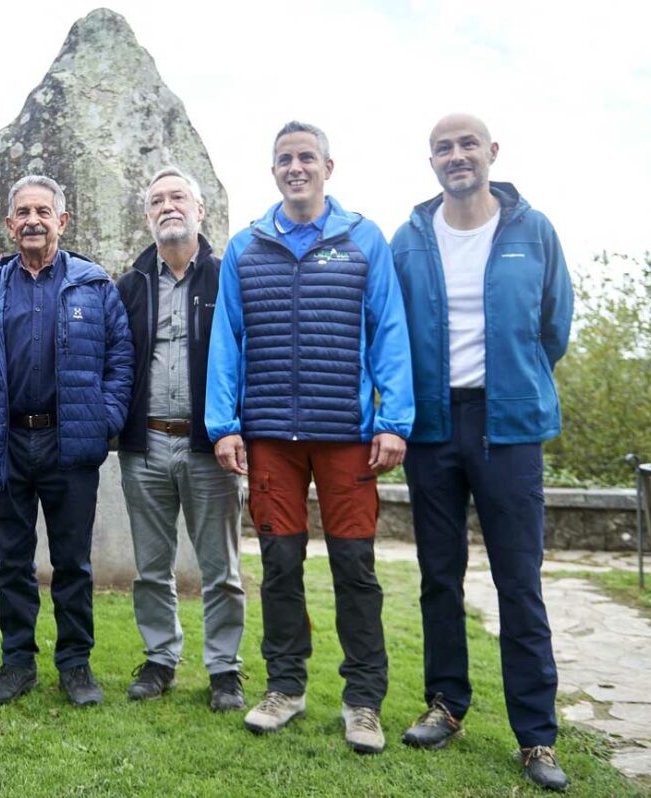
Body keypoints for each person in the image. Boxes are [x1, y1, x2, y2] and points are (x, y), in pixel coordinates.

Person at [205, 122, 414, 754]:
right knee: (280, 567)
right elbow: (227, 343)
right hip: (270, 436)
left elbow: (389, 333)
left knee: (355, 569)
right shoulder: (246, 247)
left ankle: (362, 702)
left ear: (328, 165)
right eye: (284, 159)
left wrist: (393, 420)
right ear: (273, 172)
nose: (295, 168)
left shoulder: (363, 241)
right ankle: (286, 688)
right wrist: (225, 424)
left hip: (348, 436)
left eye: (306, 158)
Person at [391, 113, 573, 791]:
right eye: (444, 147)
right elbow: (391, 328)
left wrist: (514, 380)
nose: (457, 155)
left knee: (518, 582)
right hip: (434, 427)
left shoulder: (534, 230)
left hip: (510, 428)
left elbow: (554, 326)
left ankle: (536, 737)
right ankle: (446, 705)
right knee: (440, 576)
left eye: (468, 144)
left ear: (492, 152)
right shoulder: (407, 239)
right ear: (431, 159)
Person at [0, 175, 133, 707]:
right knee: (13, 564)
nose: (33, 220)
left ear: (62, 220)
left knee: (73, 564)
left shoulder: (94, 285)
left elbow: (119, 359)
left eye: (43, 211)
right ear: (10, 224)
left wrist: (104, 420)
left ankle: (75, 666)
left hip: (70, 443)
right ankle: (17, 664)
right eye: (23, 212)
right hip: (7, 443)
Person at [115, 166, 246, 711]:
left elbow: (246, 358)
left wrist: (237, 428)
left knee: (221, 570)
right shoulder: (130, 284)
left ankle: (224, 670)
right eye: (157, 201)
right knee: (151, 566)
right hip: (144, 444)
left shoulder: (226, 277)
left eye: (178, 198)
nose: (168, 207)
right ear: (147, 216)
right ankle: (160, 659)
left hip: (208, 447)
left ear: (200, 210)